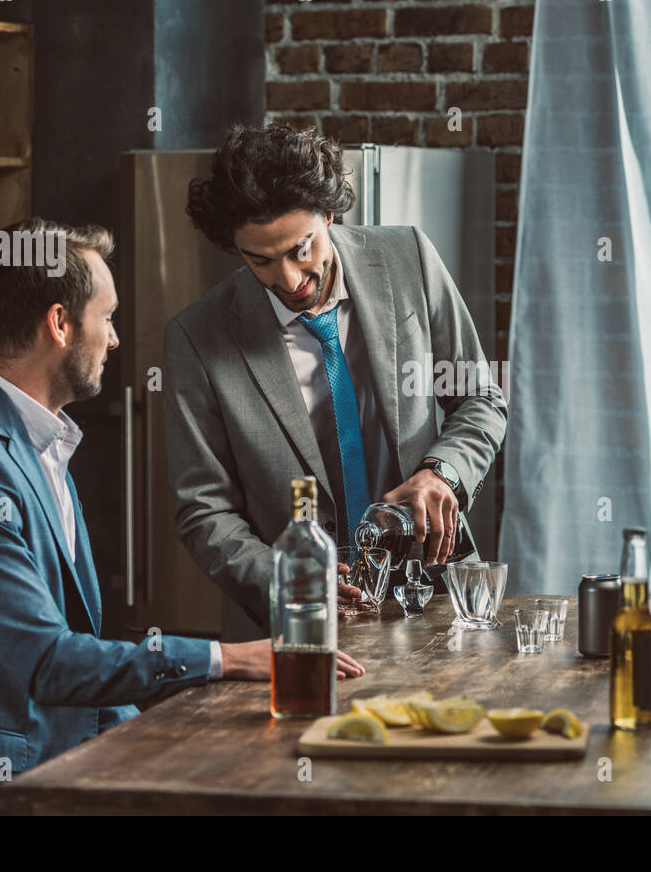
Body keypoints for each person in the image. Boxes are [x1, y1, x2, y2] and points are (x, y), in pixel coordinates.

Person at [0, 217, 362, 815]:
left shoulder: (37, 444)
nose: (113, 339)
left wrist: (182, 749)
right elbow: (50, 661)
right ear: (59, 324)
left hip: (50, 771)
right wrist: (230, 658)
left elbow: (74, 659)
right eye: (106, 318)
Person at [165, 123, 507, 641]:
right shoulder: (197, 337)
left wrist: (442, 473)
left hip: (432, 594)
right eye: (260, 260)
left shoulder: (408, 257)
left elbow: (478, 396)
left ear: (329, 213)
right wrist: (287, 578)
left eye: (301, 249)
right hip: (293, 621)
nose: (288, 279)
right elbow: (205, 511)